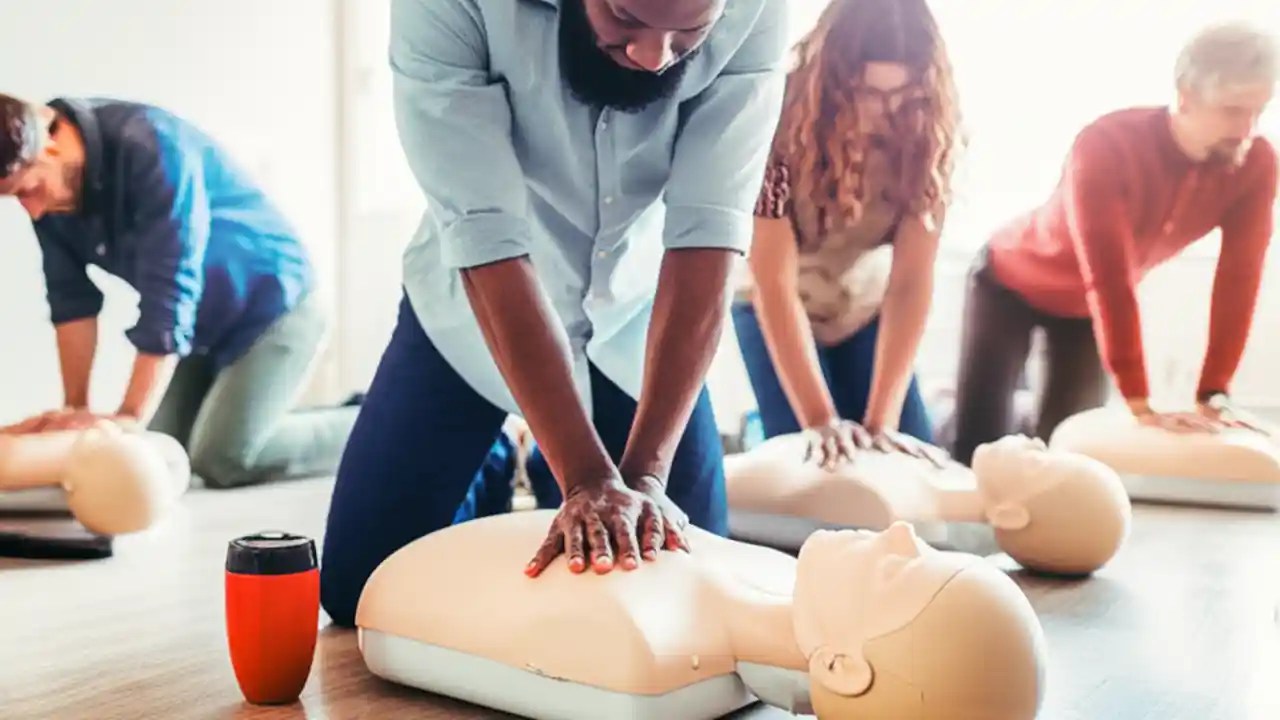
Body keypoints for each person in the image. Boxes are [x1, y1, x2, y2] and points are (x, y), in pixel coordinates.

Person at [317, 0, 788, 627]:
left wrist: (643, 476)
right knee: (356, 590)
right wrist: (587, 475)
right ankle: (496, 459)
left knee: (684, 594)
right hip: (473, 316)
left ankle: (552, 457)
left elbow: (708, 235)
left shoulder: (760, 9)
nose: (655, 57)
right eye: (626, 21)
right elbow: (489, 241)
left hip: (637, 321)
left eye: (690, 33)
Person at [950, 22, 1278, 466]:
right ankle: (953, 413)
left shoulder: (1255, 163)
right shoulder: (1106, 144)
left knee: (1066, 452)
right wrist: (1140, 402)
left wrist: (1214, 391)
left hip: (1081, 311)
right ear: (1185, 96)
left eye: (1257, 112)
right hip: (1006, 282)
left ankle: (1026, 416)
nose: (1246, 129)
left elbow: (1240, 277)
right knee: (978, 446)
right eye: (1232, 111)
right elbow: (1109, 276)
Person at [0, 95, 360, 488]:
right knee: (162, 451)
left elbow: (169, 294)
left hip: (276, 305)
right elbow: (72, 304)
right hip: (201, 329)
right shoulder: (51, 201)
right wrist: (75, 410)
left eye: (26, 191)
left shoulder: (150, 145)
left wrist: (128, 418)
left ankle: (375, 422)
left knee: (223, 458)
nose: (32, 211)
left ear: (50, 145)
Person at [731, 0, 963, 470]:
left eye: (900, 96)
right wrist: (819, 420)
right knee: (815, 464)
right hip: (772, 302)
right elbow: (774, 283)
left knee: (903, 460)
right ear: (833, 78)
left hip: (862, 308)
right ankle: (762, 426)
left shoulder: (929, 130)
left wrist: (883, 422)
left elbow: (910, 281)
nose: (883, 114)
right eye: (868, 95)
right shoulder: (773, 120)